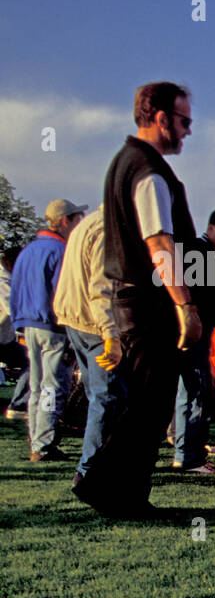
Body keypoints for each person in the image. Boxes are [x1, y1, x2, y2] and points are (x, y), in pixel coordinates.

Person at [73, 81, 201, 518]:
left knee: (143, 402)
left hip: (129, 301)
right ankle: (113, 490)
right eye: (184, 121)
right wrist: (184, 307)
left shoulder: (122, 163)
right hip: (148, 305)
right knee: (151, 403)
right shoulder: (149, 172)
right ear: (161, 118)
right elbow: (160, 244)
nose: (188, 131)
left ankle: (107, 486)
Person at [52, 205, 127, 484]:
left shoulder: (87, 225)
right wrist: (111, 334)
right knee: (107, 398)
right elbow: (100, 289)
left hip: (75, 320)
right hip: (95, 326)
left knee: (99, 396)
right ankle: (89, 470)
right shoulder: (109, 232)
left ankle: (96, 464)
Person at [11, 198, 87, 461]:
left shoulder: (28, 251)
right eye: (76, 219)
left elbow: (15, 291)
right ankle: (44, 443)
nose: (78, 224)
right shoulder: (60, 251)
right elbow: (64, 294)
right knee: (53, 387)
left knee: (37, 386)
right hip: (53, 328)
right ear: (64, 221)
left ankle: (37, 439)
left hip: (28, 326)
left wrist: (19, 327)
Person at [172, 207, 215, 473]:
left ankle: (187, 452)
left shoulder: (204, 254)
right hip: (196, 332)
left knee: (190, 392)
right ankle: (189, 456)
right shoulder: (200, 254)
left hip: (195, 331)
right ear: (211, 227)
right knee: (195, 393)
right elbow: (212, 297)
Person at [1, 246, 30, 419]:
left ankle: (18, 405)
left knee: (32, 361)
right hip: (3, 340)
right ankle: (18, 405)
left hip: (5, 341)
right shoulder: (2, 282)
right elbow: (14, 310)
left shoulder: (10, 279)